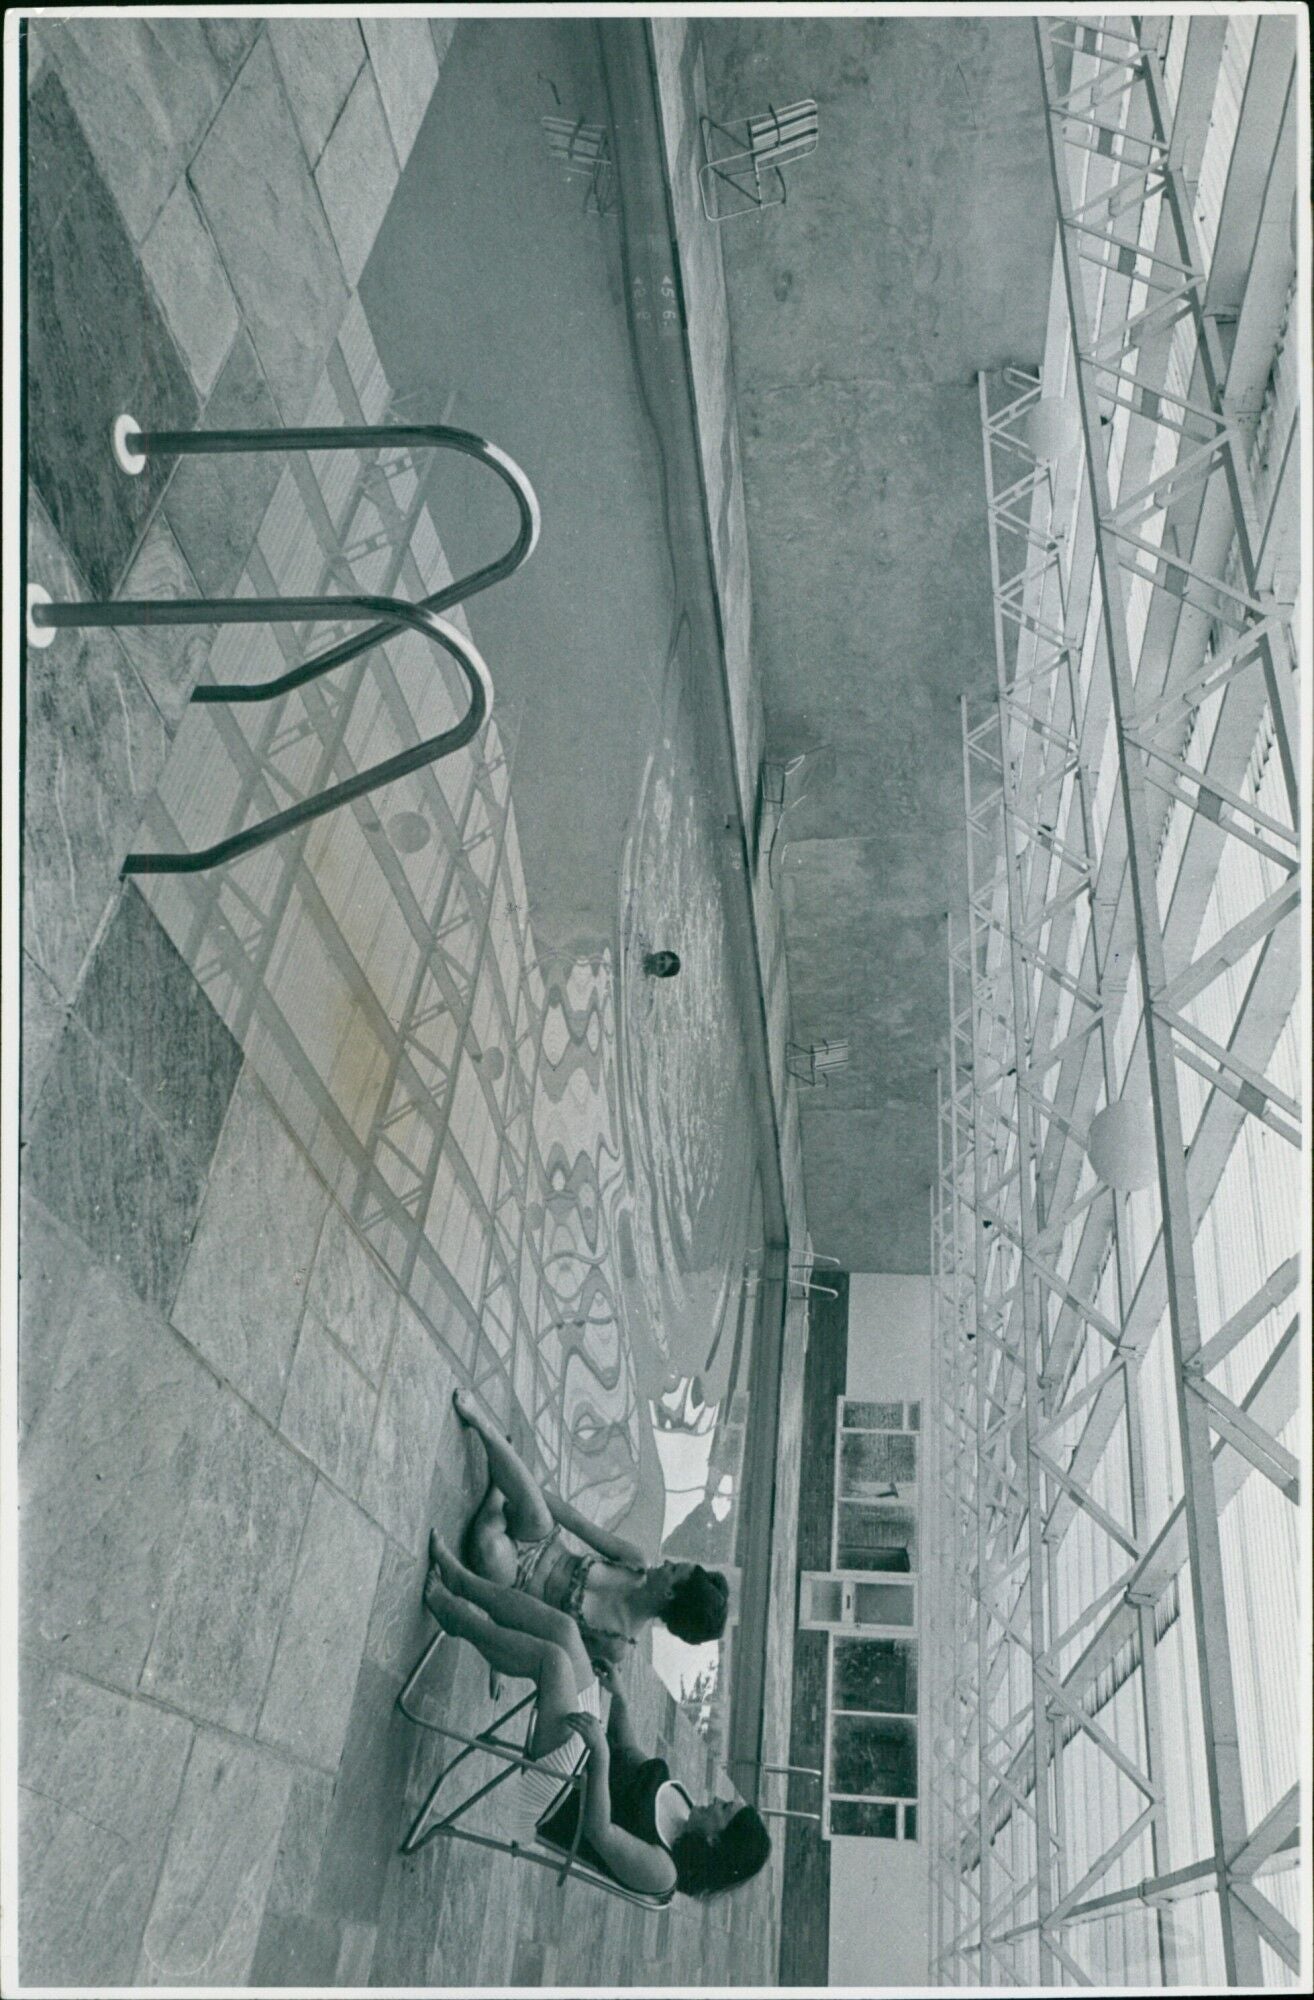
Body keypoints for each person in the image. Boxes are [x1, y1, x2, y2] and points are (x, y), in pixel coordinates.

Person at [422, 1535, 771, 1900]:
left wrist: (601, 1755)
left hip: (559, 1797)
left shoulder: (664, 1873)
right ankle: (464, 1583)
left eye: (723, 1809)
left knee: (555, 1663)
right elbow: (631, 1753)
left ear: (715, 1840)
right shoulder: (682, 1806)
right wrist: (619, 1699)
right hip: (585, 1755)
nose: (716, 1799)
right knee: (565, 1631)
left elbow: (599, 1832)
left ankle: (457, 1619)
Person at [452, 1389, 728, 1669]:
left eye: (673, 1569)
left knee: (489, 1551)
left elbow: (543, 1641)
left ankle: (497, 1491)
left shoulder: (615, 1644)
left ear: (669, 1593)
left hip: (515, 1583)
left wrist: (497, 1639)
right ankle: (482, 1425)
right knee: (535, 1512)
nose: (666, 1562)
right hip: (542, 1538)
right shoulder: (635, 1563)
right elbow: (577, 1522)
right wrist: (526, 1490)